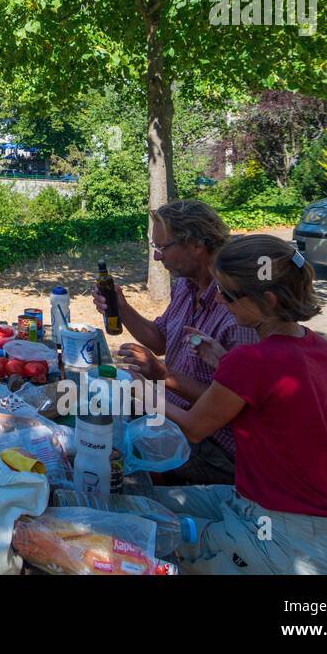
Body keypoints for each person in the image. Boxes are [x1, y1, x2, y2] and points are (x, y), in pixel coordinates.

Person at [149, 235, 327, 574]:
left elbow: (195, 428)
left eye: (227, 293)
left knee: (145, 536)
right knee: (141, 506)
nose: (217, 298)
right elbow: (277, 402)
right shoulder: (318, 349)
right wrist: (225, 363)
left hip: (286, 537)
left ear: (266, 300)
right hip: (276, 509)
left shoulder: (251, 361)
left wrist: (141, 391)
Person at [93, 199, 256, 485]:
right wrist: (121, 306)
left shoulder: (237, 310)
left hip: (211, 447)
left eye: (162, 247)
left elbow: (227, 409)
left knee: (111, 473)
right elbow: (161, 341)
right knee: (93, 415)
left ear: (196, 244)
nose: (157, 257)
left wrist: (161, 376)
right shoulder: (185, 284)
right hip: (171, 416)